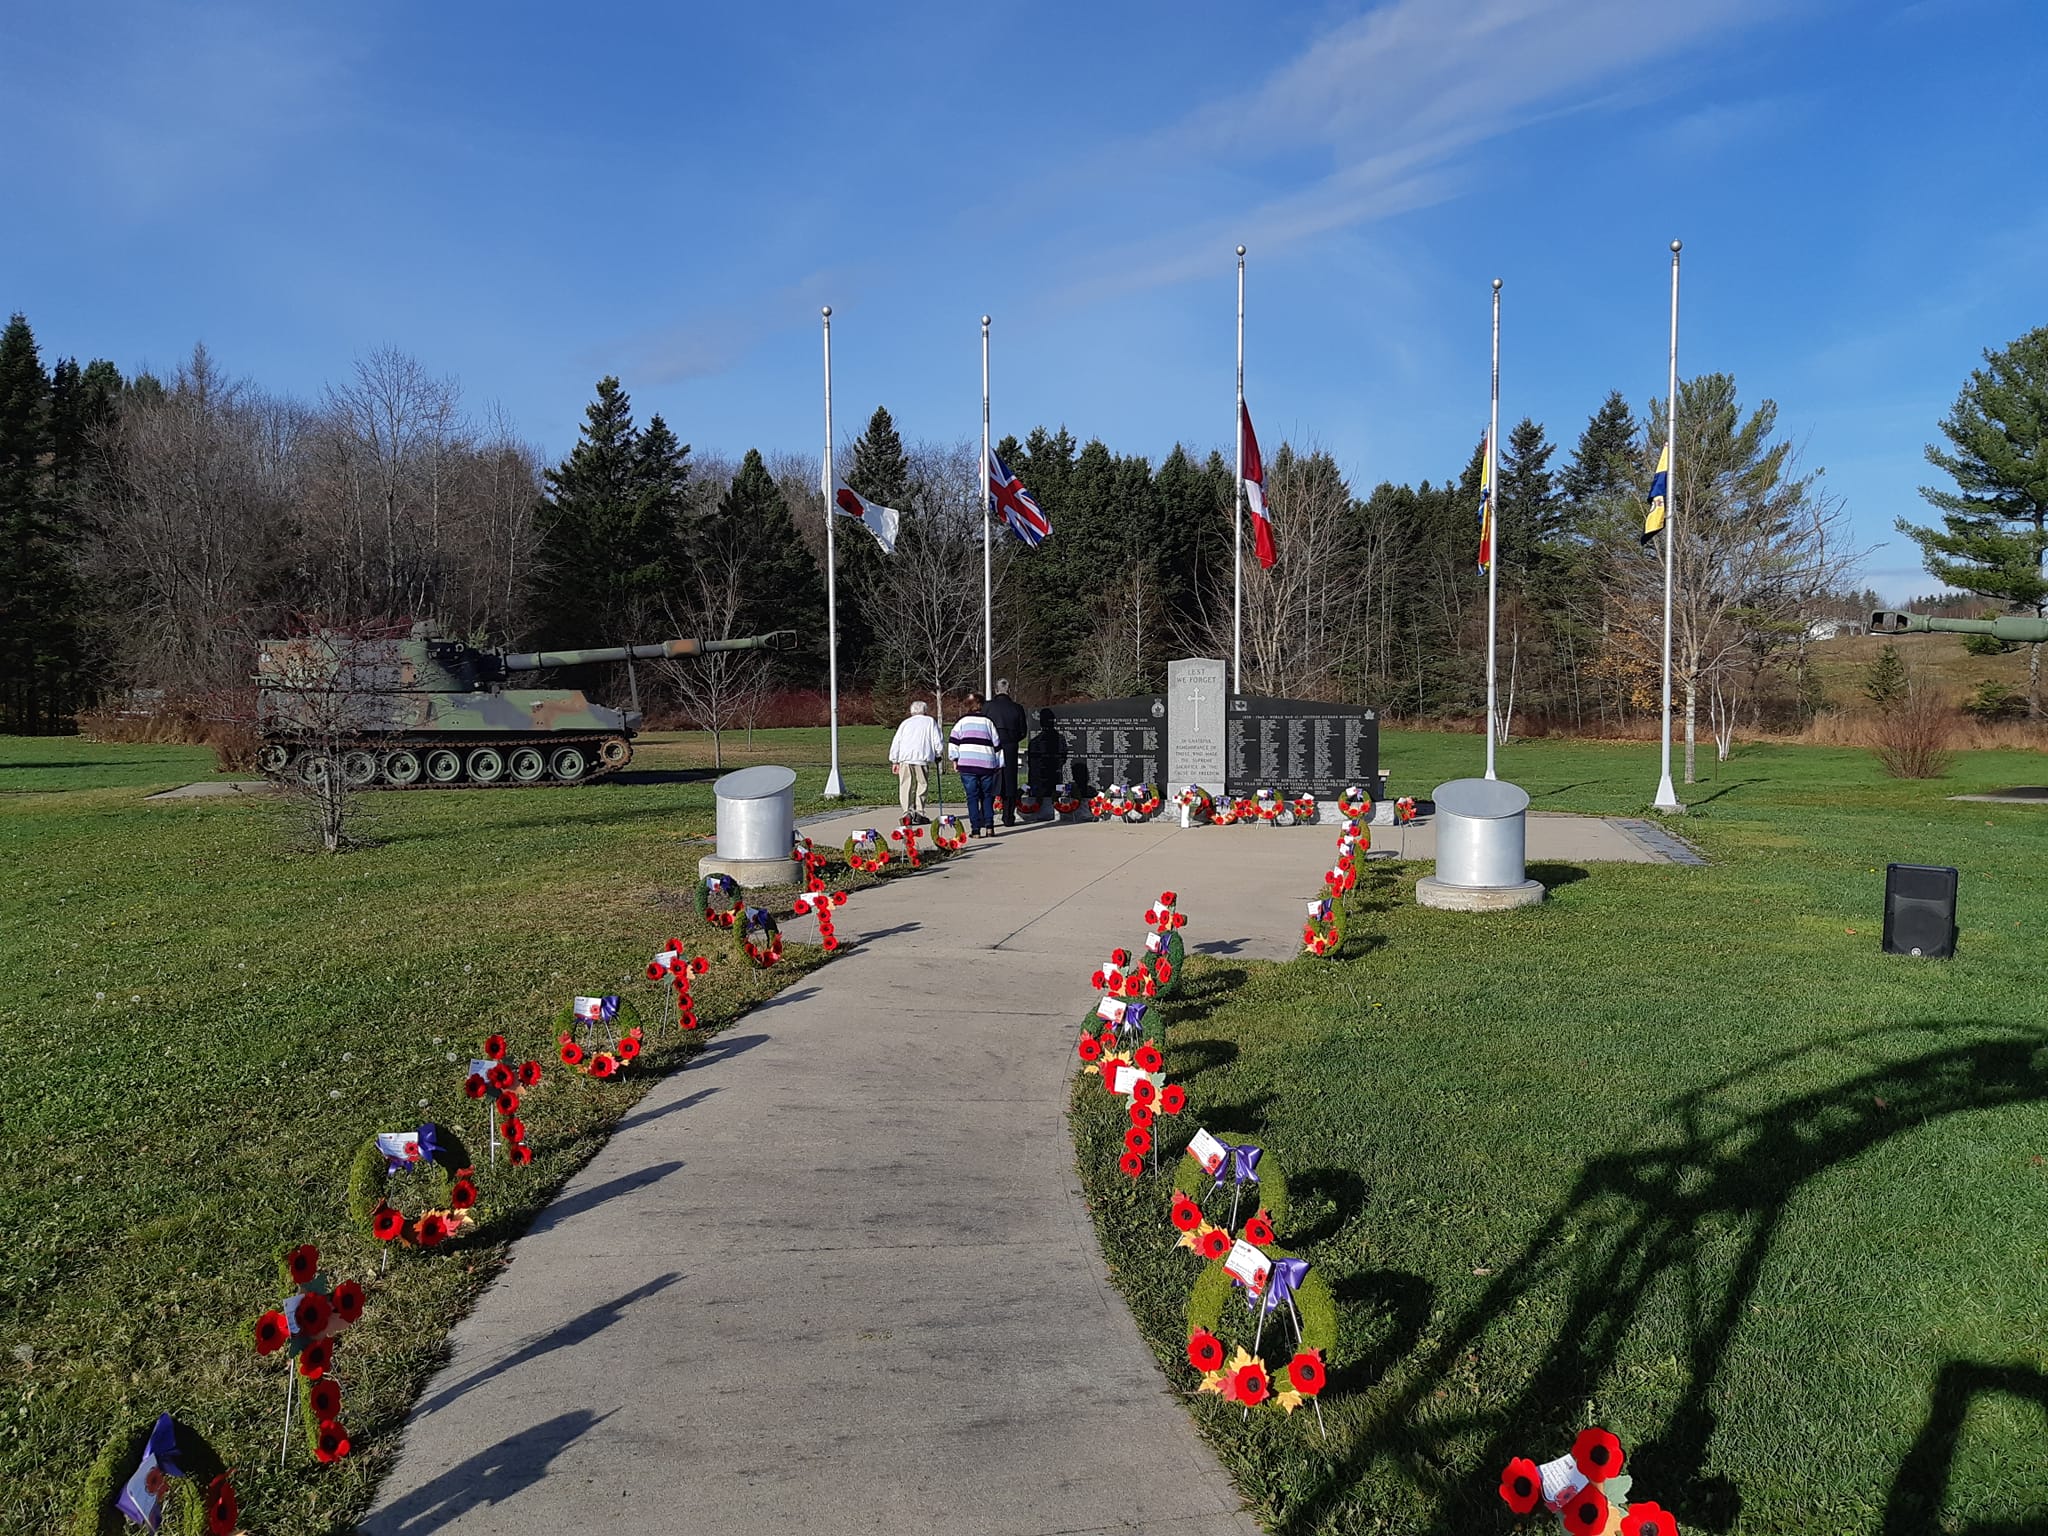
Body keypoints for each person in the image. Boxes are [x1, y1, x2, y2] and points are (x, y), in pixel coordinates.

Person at [947, 694, 1002, 838]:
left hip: (968, 764)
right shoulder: (988, 722)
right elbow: (997, 744)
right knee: (987, 796)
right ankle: (989, 826)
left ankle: (976, 830)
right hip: (986, 763)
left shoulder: (961, 722)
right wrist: (999, 763)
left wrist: (954, 759)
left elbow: (953, 742)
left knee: (972, 797)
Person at [888, 700, 943, 821]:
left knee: (905, 785)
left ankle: (906, 812)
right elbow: (937, 738)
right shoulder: (930, 721)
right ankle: (919, 812)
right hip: (921, 757)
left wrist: (894, 760)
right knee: (922, 784)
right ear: (925, 711)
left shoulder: (905, 723)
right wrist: (938, 753)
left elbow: (897, 741)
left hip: (905, 757)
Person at [984, 679, 1028, 827]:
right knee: (1009, 783)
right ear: (1008, 690)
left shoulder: (987, 707)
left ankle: (986, 816)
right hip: (1010, 747)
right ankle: (1008, 817)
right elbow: (1023, 732)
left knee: (989, 782)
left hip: (990, 749)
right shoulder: (1017, 708)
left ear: (996, 690)